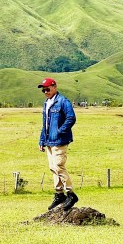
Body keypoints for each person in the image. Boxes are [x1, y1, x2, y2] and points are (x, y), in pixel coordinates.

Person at [38, 77, 79, 211]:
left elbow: (71, 118)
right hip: (49, 141)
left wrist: (60, 131)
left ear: (54, 87)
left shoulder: (62, 101)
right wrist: (42, 140)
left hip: (59, 140)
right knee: (52, 167)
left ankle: (71, 194)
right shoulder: (47, 103)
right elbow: (45, 124)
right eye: (43, 89)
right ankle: (59, 194)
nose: (45, 91)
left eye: (47, 89)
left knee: (59, 166)